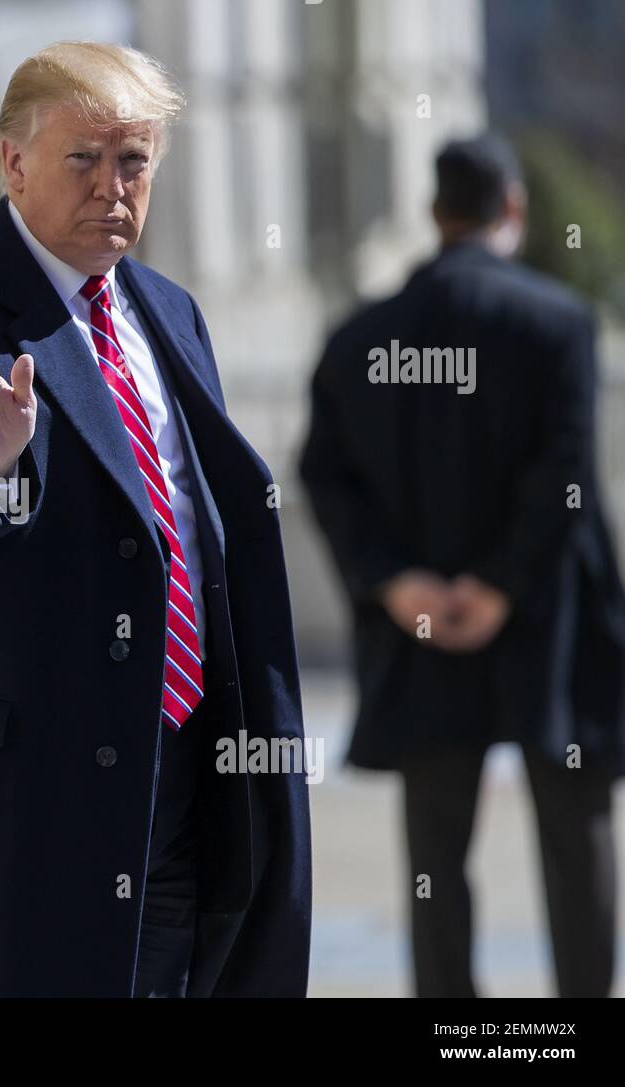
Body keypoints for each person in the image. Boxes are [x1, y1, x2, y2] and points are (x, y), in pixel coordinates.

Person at [0, 41, 312, 998]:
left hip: (173, 785)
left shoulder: (168, 311)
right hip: (8, 808)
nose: (112, 188)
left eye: (134, 162)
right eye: (82, 159)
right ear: (11, 162)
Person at [300, 134, 625, 997]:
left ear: (434, 215)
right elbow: (567, 472)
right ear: (511, 209)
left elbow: (322, 472)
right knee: (576, 833)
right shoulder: (556, 322)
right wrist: (501, 586)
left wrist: (398, 581)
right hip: (546, 620)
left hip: (421, 624)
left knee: (435, 855)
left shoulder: (360, 334)